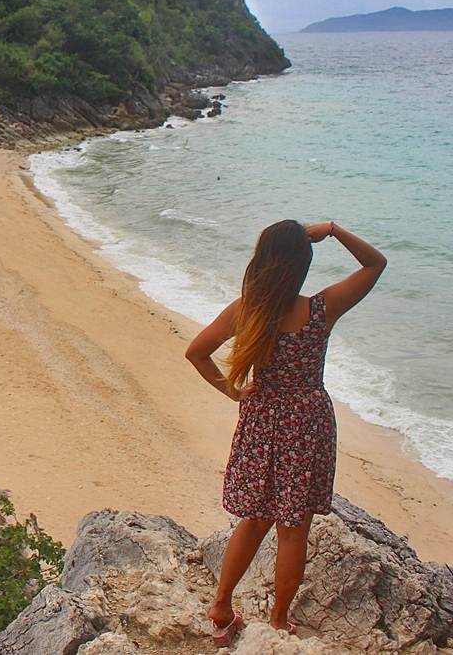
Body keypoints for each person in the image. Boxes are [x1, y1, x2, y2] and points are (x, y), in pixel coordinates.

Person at [185, 220, 386, 644]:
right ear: (302, 264)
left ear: (261, 260)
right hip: (308, 423)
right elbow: (375, 263)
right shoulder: (321, 309)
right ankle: (278, 620)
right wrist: (333, 230)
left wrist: (233, 392)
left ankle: (221, 607)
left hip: (262, 419)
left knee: (254, 518)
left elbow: (196, 352)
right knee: (294, 528)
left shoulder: (247, 310)